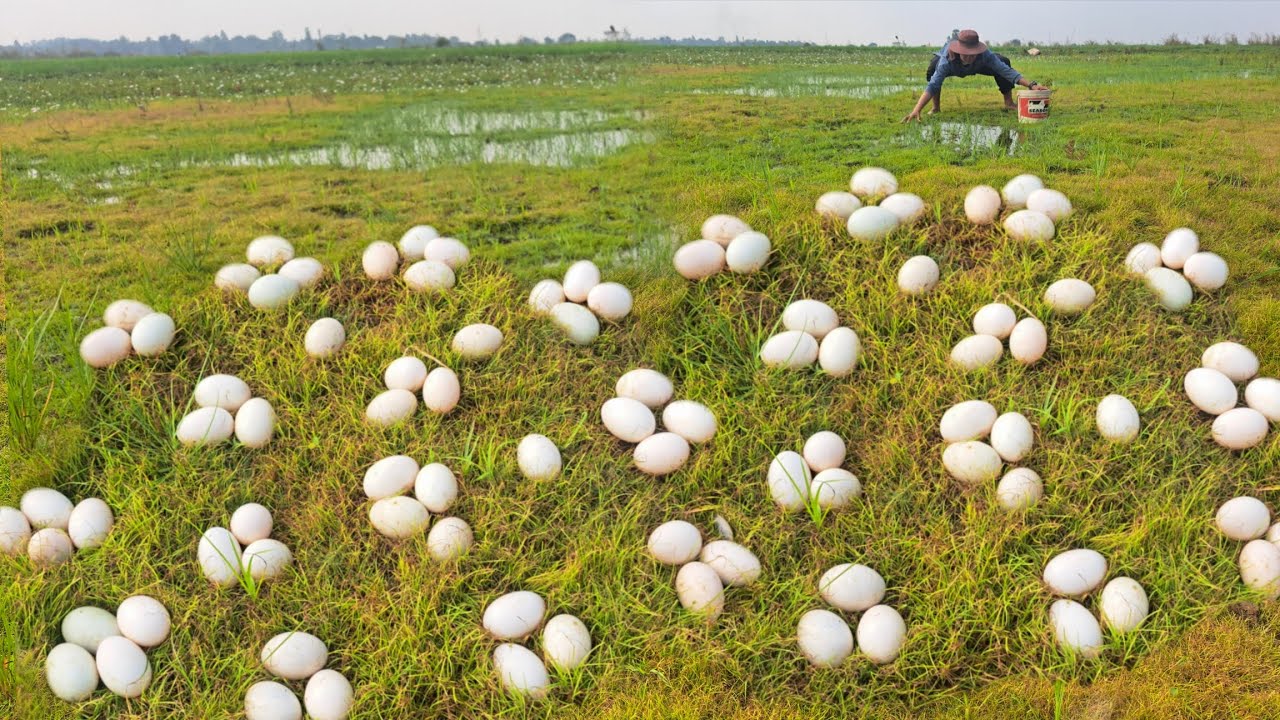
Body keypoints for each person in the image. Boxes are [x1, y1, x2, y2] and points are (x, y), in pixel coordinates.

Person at [902, 29, 1047, 122]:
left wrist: (1031, 85)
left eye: (973, 54)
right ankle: (936, 107)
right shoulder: (947, 60)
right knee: (933, 67)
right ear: (959, 51)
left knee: (1003, 61)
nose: (970, 57)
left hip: (980, 67)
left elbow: (1006, 71)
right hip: (954, 68)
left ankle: (1008, 103)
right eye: (966, 54)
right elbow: (933, 85)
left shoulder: (985, 55)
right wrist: (916, 110)